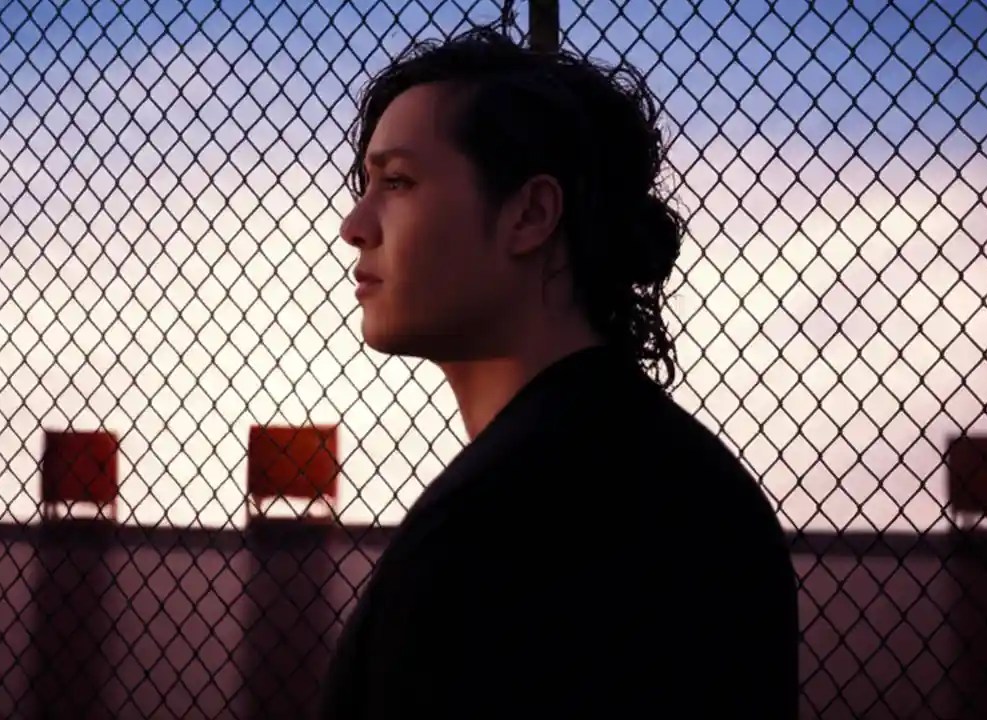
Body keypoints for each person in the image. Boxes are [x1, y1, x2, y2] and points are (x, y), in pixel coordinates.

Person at [318, 21, 799, 719]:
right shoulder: (679, 477)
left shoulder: (502, 523)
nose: (355, 223)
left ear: (531, 214)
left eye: (398, 181)